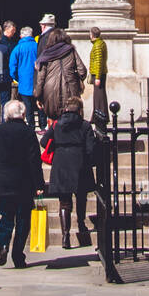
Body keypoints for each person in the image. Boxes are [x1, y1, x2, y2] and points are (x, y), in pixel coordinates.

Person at [0, 98, 45, 268]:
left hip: (4, 183)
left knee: (6, 218)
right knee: (23, 221)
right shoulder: (28, 132)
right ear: (23, 114)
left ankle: (3, 245)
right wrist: (39, 184)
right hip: (24, 184)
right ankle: (18, 254)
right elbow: (35, 161)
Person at [42, 97, 96, 248]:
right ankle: (81, 224)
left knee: (64, 202)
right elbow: (90, 149)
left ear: (66, 108)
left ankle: (65, 236)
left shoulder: (56, 124)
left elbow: (44, 142)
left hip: (61, 163)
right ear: (79, 109)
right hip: (80, 162)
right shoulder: (85, 125)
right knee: (81, 197)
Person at [34, 27, 88, 125]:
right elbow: (82, 71)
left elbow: (40, 78)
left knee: (55, 121)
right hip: (71, 90)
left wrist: (37, 95)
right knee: (72, 121)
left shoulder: (45, 55)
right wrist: (75, 78)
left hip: (50, 92)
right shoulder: (71, 51)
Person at [9, 26, 38, 128]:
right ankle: (43, 125)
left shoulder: (18, 48)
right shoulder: (38, 46)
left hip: (24, 81)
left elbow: (12, 66)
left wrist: (17, 78)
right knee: (39, 104)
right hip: (37, 81)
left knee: (28, 105)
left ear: (21, 36)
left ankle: (31, 125)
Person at [88, 26, 108, 127]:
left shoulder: (97, 45)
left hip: (98, 74)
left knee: (99, 96)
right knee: (98, 96)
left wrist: (98, 77)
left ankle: (100, 115)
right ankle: (97, 115)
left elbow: (99, 62)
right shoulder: (100, 43)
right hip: (99, 73)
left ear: (92, 34)